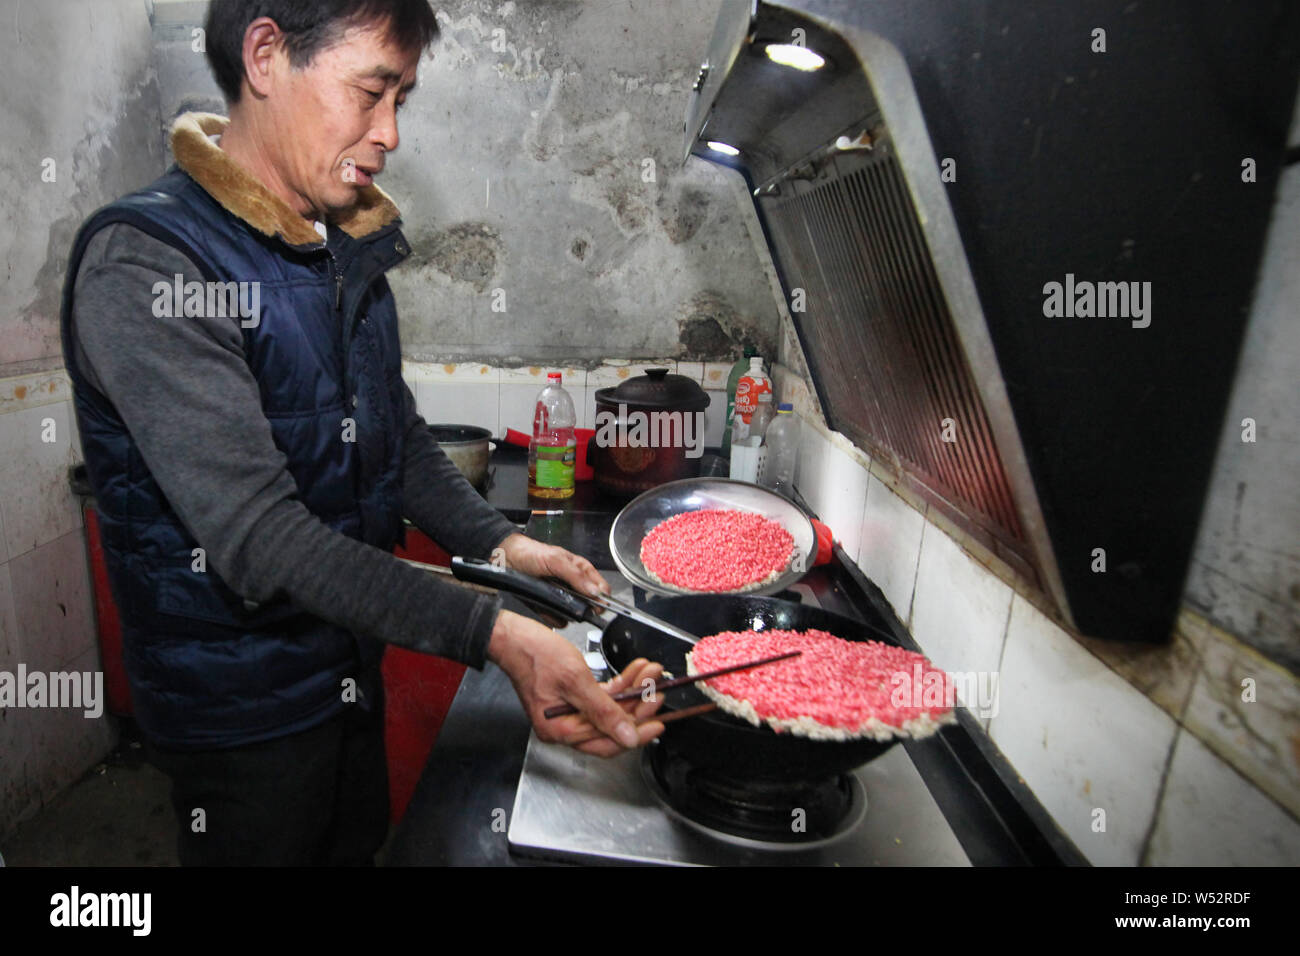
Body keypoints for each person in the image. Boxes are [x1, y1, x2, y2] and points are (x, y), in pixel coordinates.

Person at [59, 0, 664, 866]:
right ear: (266, 56)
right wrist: (491, 629)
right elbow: (261, 540)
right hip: (241, 709)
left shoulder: (339, 245)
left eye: (402, 101)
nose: (390, 133)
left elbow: (397, 440)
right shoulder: (151, 263)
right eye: (372, 92)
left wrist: (502, 545)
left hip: (345, 670)